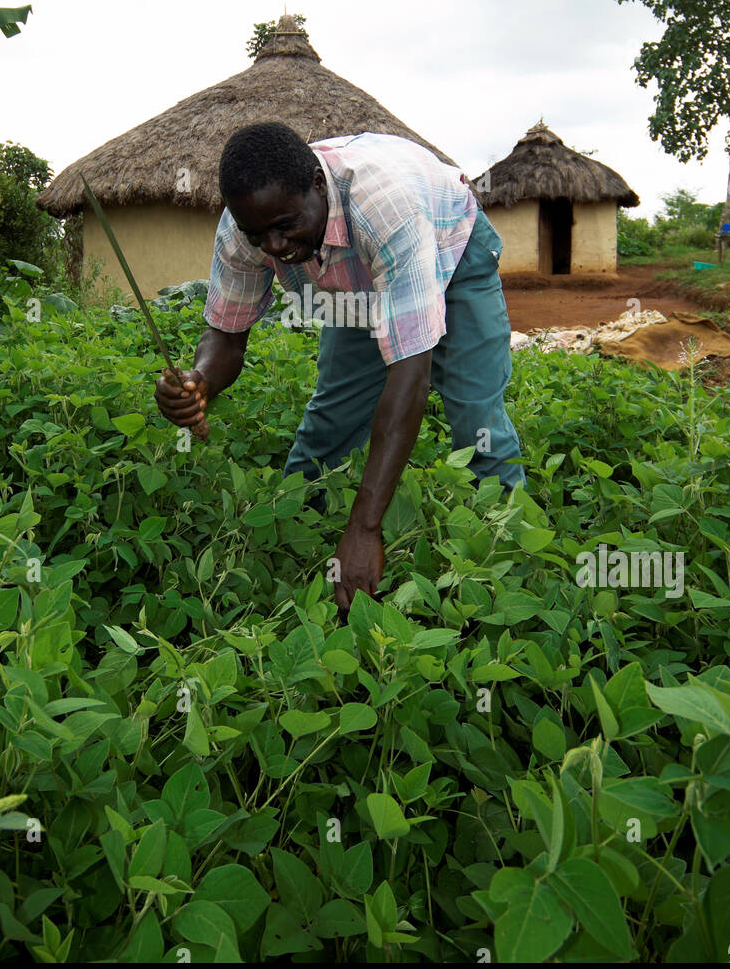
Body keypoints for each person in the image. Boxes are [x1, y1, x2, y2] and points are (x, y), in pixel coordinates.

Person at [155, 121, 524, 608]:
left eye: (286, 225)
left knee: (476, 416)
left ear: (316, 184)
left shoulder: (382, 207)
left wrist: (364, 528)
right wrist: (200, 381)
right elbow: (227, 333)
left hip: (450, 249)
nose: (274, 247)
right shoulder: (244, 230)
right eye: (257, 233)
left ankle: (508, 566)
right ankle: (296, 536)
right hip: (352, 279)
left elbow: (410, 377)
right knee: (335, 414)